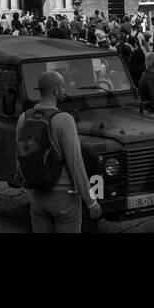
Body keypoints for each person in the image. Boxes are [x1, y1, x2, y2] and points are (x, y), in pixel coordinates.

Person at [14, 71, 101, 233]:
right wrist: (91, 201)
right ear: (55, 90)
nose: (64, 90)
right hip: (64, 198)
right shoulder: (64, 119)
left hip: (38, 195)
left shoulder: (24, 118)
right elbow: (76, 165)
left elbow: (19, 159)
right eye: (62, 87)